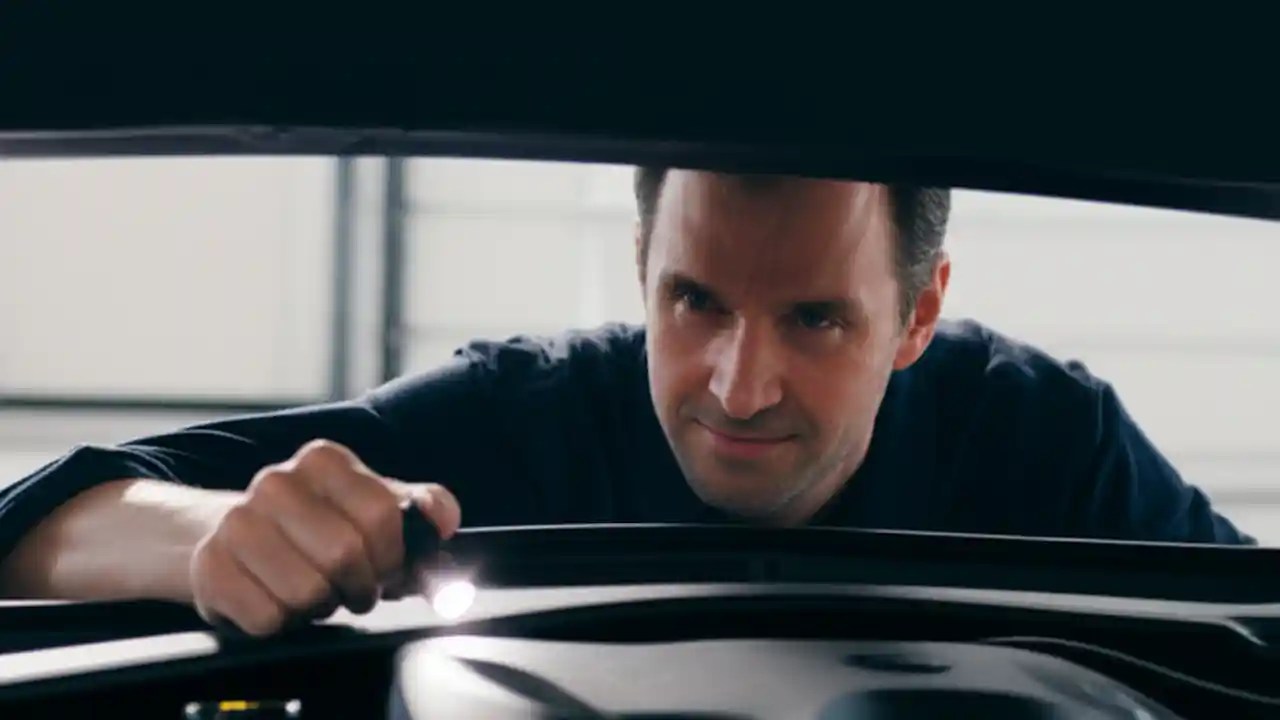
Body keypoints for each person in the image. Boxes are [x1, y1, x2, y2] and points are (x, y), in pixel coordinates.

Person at [0, 168, 1255, 637]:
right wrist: (216, 536)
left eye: (814, 319)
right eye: (694, 301)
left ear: (918, 314)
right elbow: (34, 517)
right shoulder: (523, 413)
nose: (737, 386)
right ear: (640, 269)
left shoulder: (1043, 437)